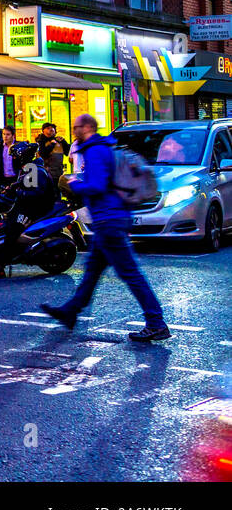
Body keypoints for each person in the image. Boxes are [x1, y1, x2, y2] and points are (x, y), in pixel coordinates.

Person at [41, 114, 170, 342]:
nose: (74, 131)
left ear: (89, 127)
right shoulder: (99, 148)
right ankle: (70, 311)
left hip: (109, 220)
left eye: (78, 127)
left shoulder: (95, 150)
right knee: (92, 271)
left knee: (130, 273)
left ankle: (156, 322)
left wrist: (75, 184)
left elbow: (98, 185)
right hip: (108, 219)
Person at [0, 143, 59, 279]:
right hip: (27, 205)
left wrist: (18, 192)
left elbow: (34, 193)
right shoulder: (28, 168)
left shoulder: (34, 169)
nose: (12, 159)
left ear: (22, 157)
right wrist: (12, 188)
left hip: (34, 209)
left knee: (11, 230)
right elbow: (23, 184)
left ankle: (0, 267)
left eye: (14, 156)